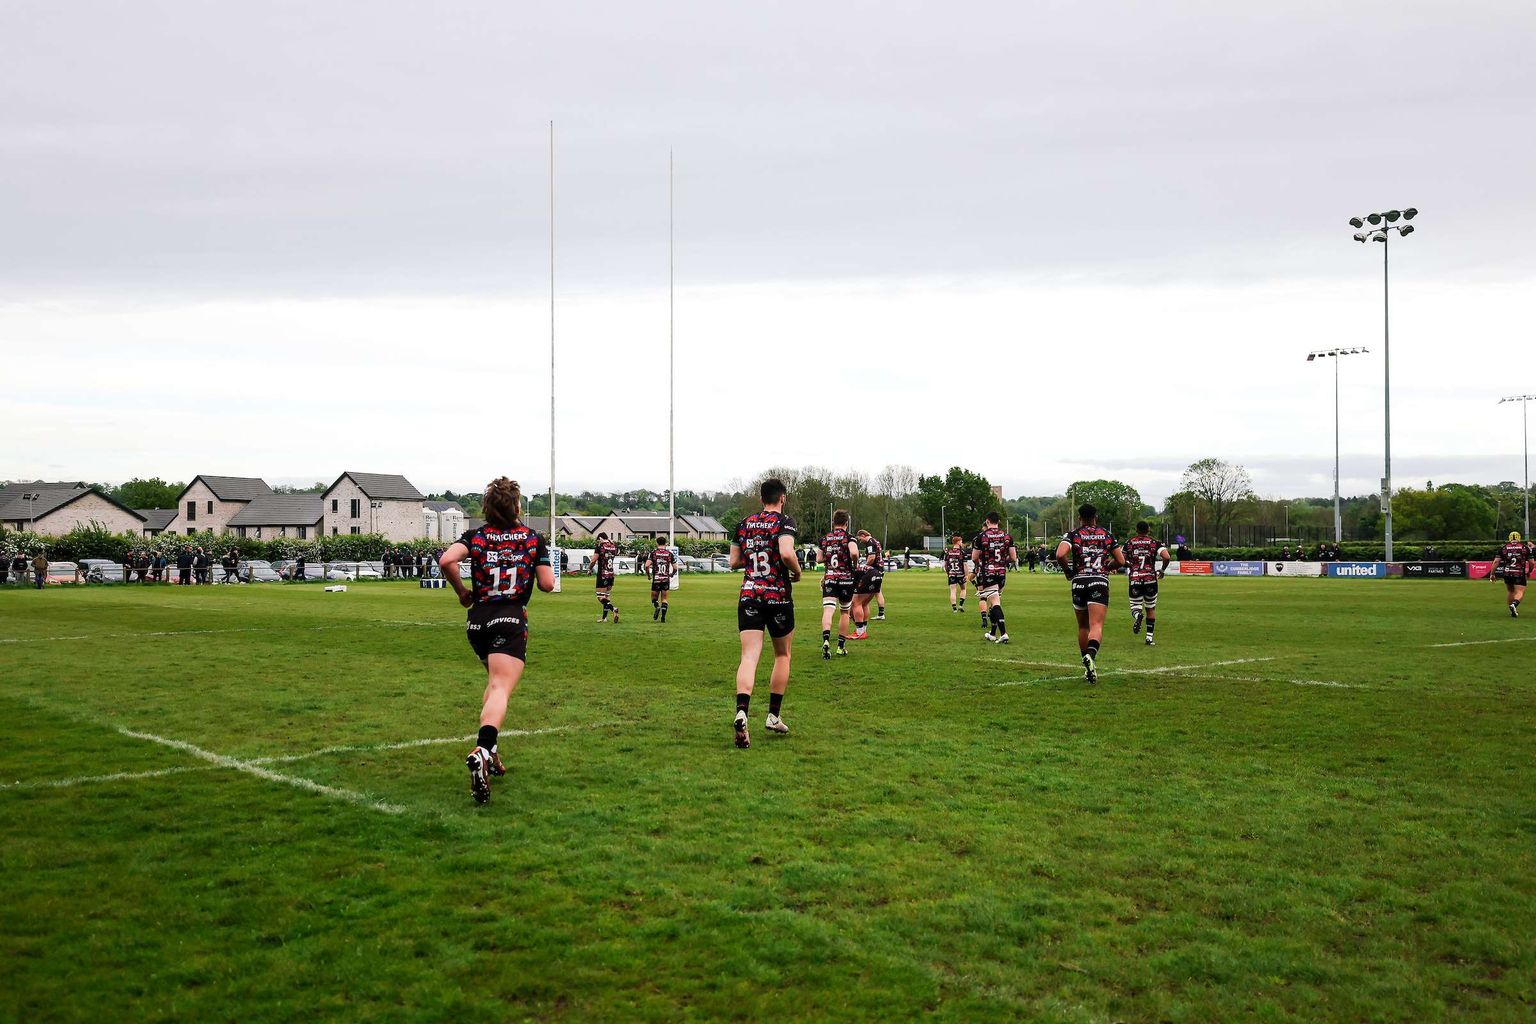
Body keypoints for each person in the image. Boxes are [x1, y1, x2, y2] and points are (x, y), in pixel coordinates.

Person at [438, 477, 555, 805]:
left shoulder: (476, 536)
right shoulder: (532, 538)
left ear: (487, 508)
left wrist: (462, 593)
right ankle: (482, 749)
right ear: (517, 506)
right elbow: (547, 585)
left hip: (477, 621)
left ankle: (492, 751)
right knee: (502, 688)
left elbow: (447, 560)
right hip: (510, 618)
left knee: (493, 684)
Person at [730, 477, 801, 748]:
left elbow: (734, 561)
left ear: (761, 499)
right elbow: (786, 552)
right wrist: (796, 571)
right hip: (778, 596)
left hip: (749, 595)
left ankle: (741, 711)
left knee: (749, 656)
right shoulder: (784, 522)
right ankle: (772, 715)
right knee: (782, 655)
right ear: (782, 498)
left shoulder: (744, 523)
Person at [1056, 503, 1126, 684]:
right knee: (1096, 625)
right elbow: (1121, 560)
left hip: (1079, 582)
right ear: (1096, 517)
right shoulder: (1106, 534)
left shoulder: (1073, 534)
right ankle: (1090, 656)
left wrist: (1068, 571)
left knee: (1082, 627)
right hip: (1098, 581)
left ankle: (1087, 667)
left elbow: (1059, 554)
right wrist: (1108, 567)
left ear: (1080, 518)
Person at [971, 512, 1018, 643]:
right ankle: (992, 633)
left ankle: (1003, 633)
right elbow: (1013, 558)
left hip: (989, 572)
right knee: (995, 602)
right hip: (1002, 573)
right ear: (999, 521)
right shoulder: (1007, 536)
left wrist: (980, 565)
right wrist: (1003, 562)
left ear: (987, 521)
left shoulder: (982, 536)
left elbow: (974, 557)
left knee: (995, 603)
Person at [818, 510, 859, 658]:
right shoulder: (849, 538)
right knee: (844, 612)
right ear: (846, 523)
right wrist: (853, 563)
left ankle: (826, 640)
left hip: (830, 578)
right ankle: (840, 647)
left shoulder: (825, 538)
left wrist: (830, 558)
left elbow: (818, 559)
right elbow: (854, 553)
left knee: (828, 610)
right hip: (846, 579)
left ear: (833, 523)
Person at [1123, 521, 1171, 646]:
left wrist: (1130, 565)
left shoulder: (1129, 543)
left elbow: (1121, 559)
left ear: (1136, 530)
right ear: (1148, 530)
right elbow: (1167, 557)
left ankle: (1138, 615)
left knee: (1135, 606)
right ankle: (1149, 638)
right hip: (1150, 578)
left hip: (1135, 579)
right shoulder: (1155, 543)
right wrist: (1162, 570)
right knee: (1150, 608)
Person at [850, 529, 885, 638]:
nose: (860, 541)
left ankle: (859, 631)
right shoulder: (876, 541)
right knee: (866, 602)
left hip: (871, 572)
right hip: (879, 572)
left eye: (860, 538)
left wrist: (863, 566)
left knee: (857, 602)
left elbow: (871, 557)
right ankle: (864, 630)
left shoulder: (870, 542)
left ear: (863, 535)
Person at [1492, 531, 1529, 617]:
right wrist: (1529, 571)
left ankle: (1511, 610)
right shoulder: (1524, 548)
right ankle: (1514, 605)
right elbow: (1531, 562)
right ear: (1519, 538)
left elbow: (1496, 561)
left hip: (1507, 573)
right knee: (1520, 591)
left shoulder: (1504, 548)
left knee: (1511, 591)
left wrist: (1492, 574)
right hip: (1519, 573)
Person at [592, 532, 620, 623]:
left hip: (603, 574)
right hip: (611, 574)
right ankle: (604, 618)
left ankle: (614, 609)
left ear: (600, 538)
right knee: (606, 596)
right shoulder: (613, 547)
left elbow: (593, 560)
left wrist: (589, 569)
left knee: (600, 596)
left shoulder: (600, 547)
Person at [646, 542, 676, 621]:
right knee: (664, 599)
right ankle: (663, 617)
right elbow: (675, 567)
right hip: (665, 579)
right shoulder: (669, 554)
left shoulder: (653, 553)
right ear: (665, 543)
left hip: (656, 579)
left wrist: (648, 575)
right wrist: (672, 574)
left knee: (654, 598)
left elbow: (647, 565)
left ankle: (657, 607)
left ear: (657, 543)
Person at [943, 535, 968, 612]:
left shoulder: (948, 552)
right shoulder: (962, 552)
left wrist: (948, 573)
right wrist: (966, 574)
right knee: (963, 589)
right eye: (961, 541)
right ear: (958, 542)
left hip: (952, 574)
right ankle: (960, 605)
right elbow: (965, 565)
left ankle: (954, 609)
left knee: (953, 591)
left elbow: (946, 565)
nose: (962, 543)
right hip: (960, 574)